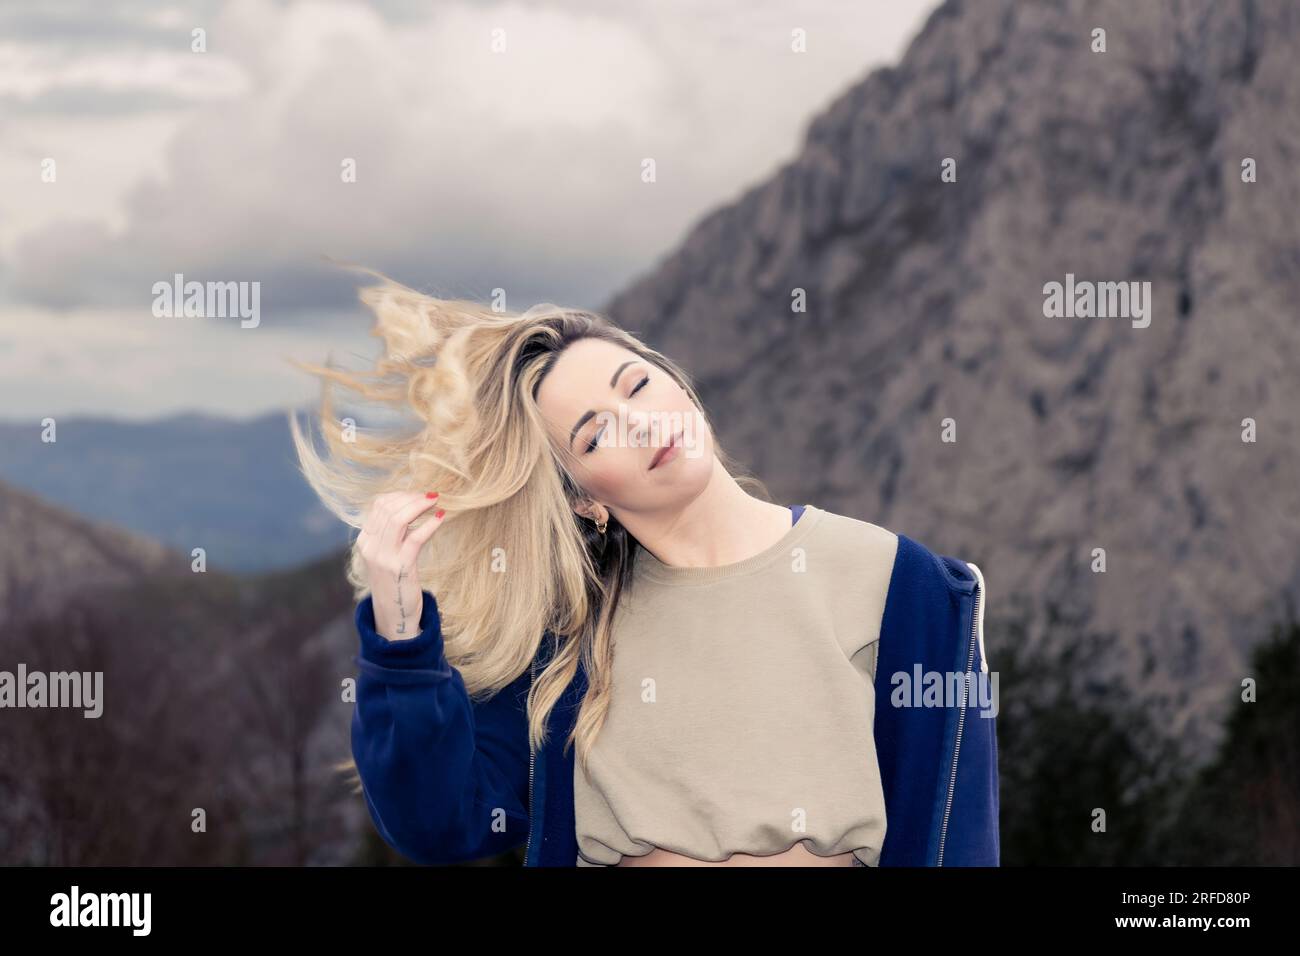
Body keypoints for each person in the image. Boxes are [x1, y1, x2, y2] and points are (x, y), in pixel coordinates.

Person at [289, 265, 998, 867]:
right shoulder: (566, 647)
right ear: (586, 502)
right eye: (595, 434)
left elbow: (956, 836)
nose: (639, 423)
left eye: (637, 386)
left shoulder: (904, 588)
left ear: (680, 388)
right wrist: (401, 638)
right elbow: (438, 826)